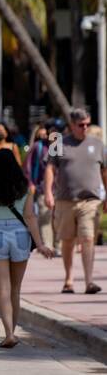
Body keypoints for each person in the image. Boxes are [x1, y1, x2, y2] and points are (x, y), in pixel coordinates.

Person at [0, 149, 56, 347]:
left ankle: (8, 332)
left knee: (2, 289)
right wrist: (41, 243)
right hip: (20, 235)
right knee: (15, 289)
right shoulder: (24, 186)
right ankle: (13, 330)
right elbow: (29, 216)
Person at [42, 107, 107, 294]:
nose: (85, 128)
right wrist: (48, 192)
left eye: (87, 124)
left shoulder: (98, 144)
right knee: (68, 241)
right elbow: (50, 169)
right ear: (72, 125)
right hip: (65, 200)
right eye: (81, 125)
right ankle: (68, 279)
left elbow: (104, 171)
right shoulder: (58, 143)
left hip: (90, 201)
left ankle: (89, 281)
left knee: (87, 238)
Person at [26, 123, 55, 253]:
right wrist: (30, 183)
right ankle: (48, 246)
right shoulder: (37, 147)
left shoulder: (58, 148)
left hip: (59, 190)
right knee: (45, 217)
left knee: (57, 218)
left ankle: (58, 245)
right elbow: (27, 167)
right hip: (41, 188)